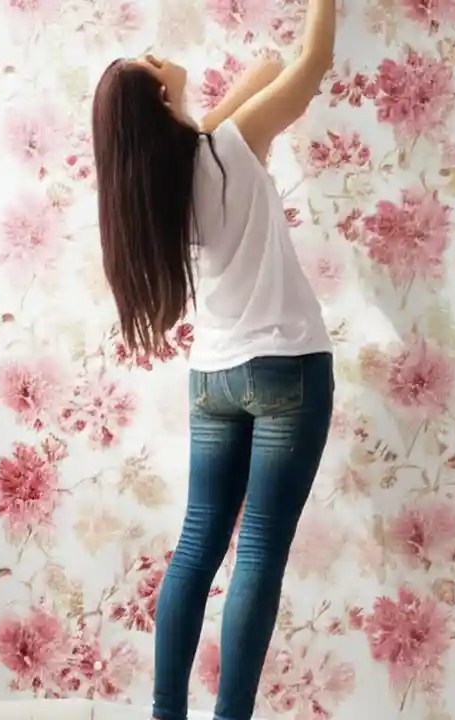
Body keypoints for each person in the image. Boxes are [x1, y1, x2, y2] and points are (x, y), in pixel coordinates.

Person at [91, 1, 336, 718]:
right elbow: (310, 66)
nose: (158, 51)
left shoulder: (166, 186)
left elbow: (263, 72)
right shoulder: (227, 149)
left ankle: (167, 712)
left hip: (213, 378)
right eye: (149, 61)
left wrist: (203, 101)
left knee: (197, 547)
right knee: (257, 551)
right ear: (159, 98)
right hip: (286, 365)